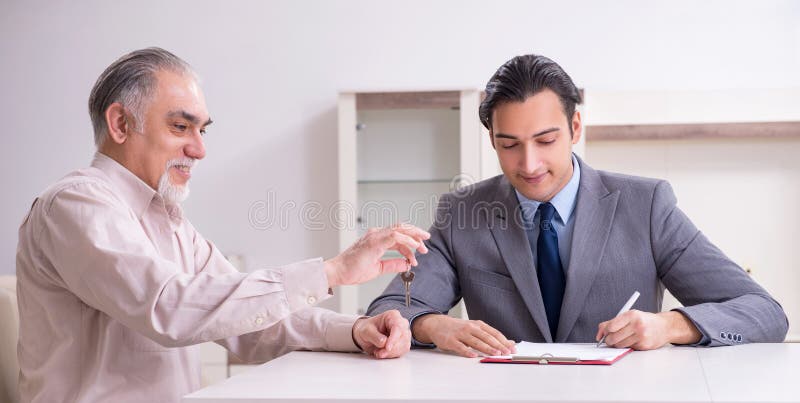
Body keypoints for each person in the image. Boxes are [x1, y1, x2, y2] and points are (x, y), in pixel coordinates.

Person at [16, 47, 430, 403]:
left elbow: (250, 327)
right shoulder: (76, 204)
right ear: (121, 124)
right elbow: (169, 309)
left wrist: (358, 331)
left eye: (202, 130)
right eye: (180, 127)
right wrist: (332, 271)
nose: (199, 149)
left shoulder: (166, 219)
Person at [367, 54, 789, 358]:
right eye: (509, 145)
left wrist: (668, 326)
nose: (528, 164)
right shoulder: (463, 212)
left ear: (575, 128)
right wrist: (431, 324)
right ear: (491, 139)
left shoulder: (646, 205)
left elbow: (764, 313)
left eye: (546, 141)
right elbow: (390, 310)